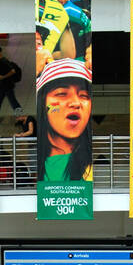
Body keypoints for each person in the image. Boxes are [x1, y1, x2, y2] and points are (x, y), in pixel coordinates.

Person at [36, 58, 93, 186]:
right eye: (62, 93)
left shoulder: (92, 166)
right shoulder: (36, 163)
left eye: (83, 95)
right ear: (43, 104)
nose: (75, 103)